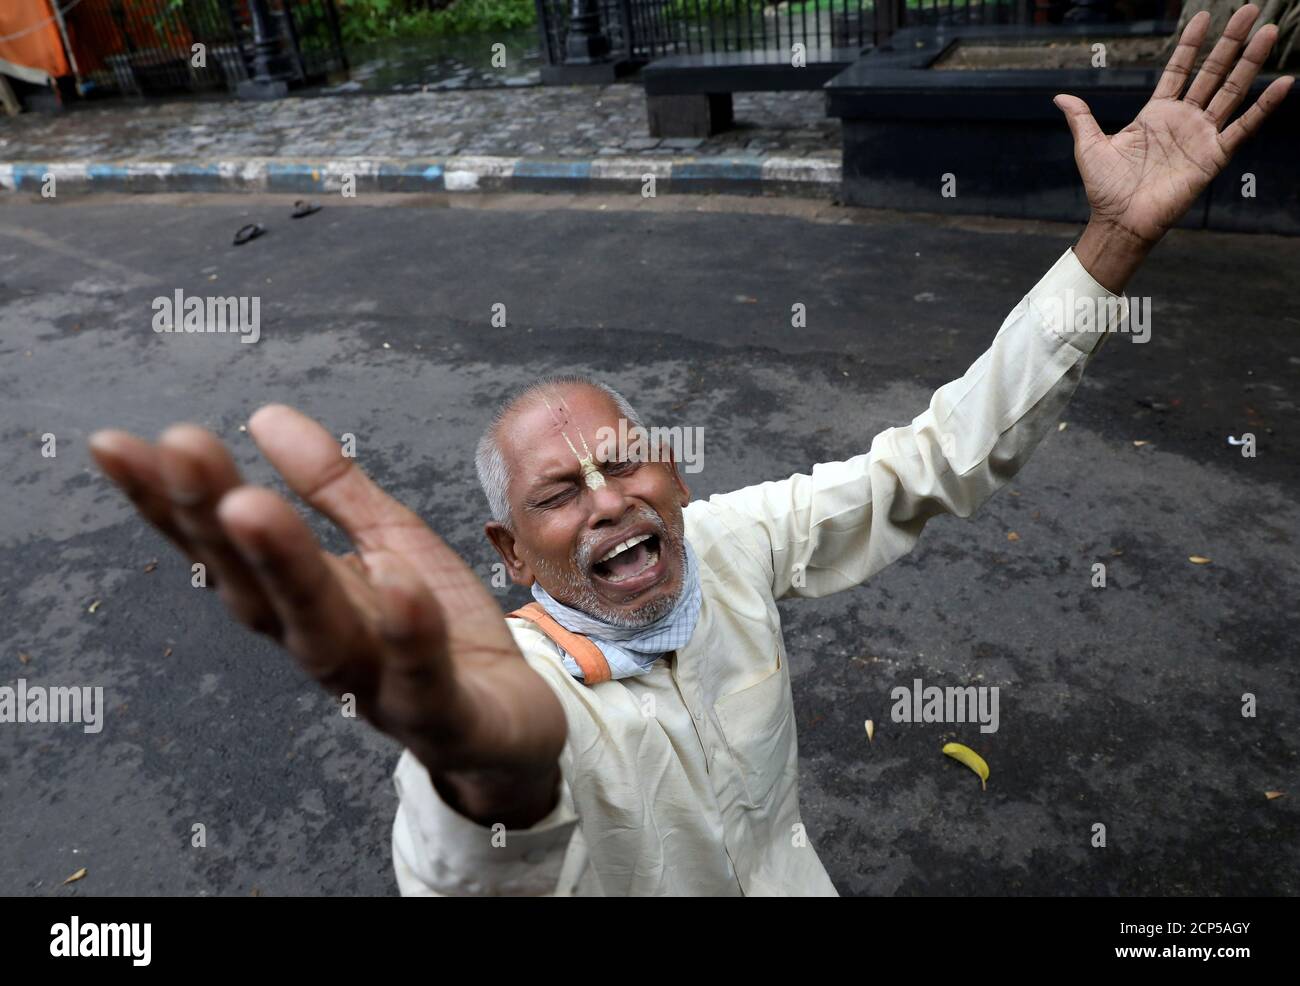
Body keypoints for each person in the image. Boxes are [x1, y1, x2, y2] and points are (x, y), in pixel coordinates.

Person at [89, 7, 1292, 896]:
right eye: (561, 492)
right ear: (509, 551)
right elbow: (466, 875)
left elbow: (934, 457)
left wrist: (1105, 247)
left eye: (628, 460)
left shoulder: (728, 543)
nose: (613, 499)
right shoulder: (505, 688)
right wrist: (486, 787)